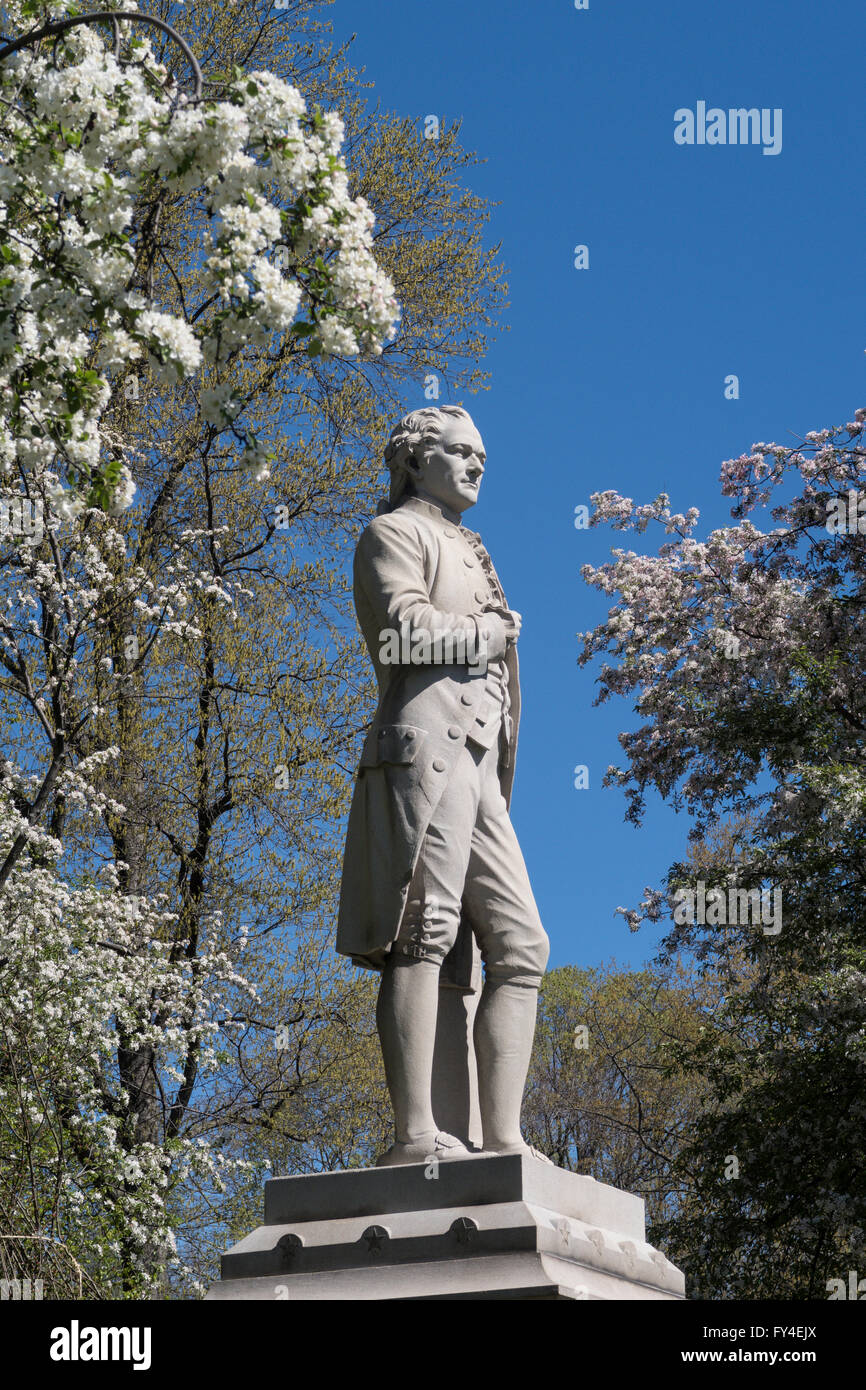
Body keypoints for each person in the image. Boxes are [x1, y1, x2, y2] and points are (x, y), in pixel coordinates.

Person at [336, 405, 550, 1165]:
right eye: (460, 453)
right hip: (425, 757)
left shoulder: (472, 545)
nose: (476, 466)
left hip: (481, 766)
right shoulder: (393, 532)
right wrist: (489, 634)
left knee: (521, 946)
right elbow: (402, 630)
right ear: (416, 461)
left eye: (481, 456)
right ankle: (416, 1136)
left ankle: (501, 1141)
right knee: (422, 937)